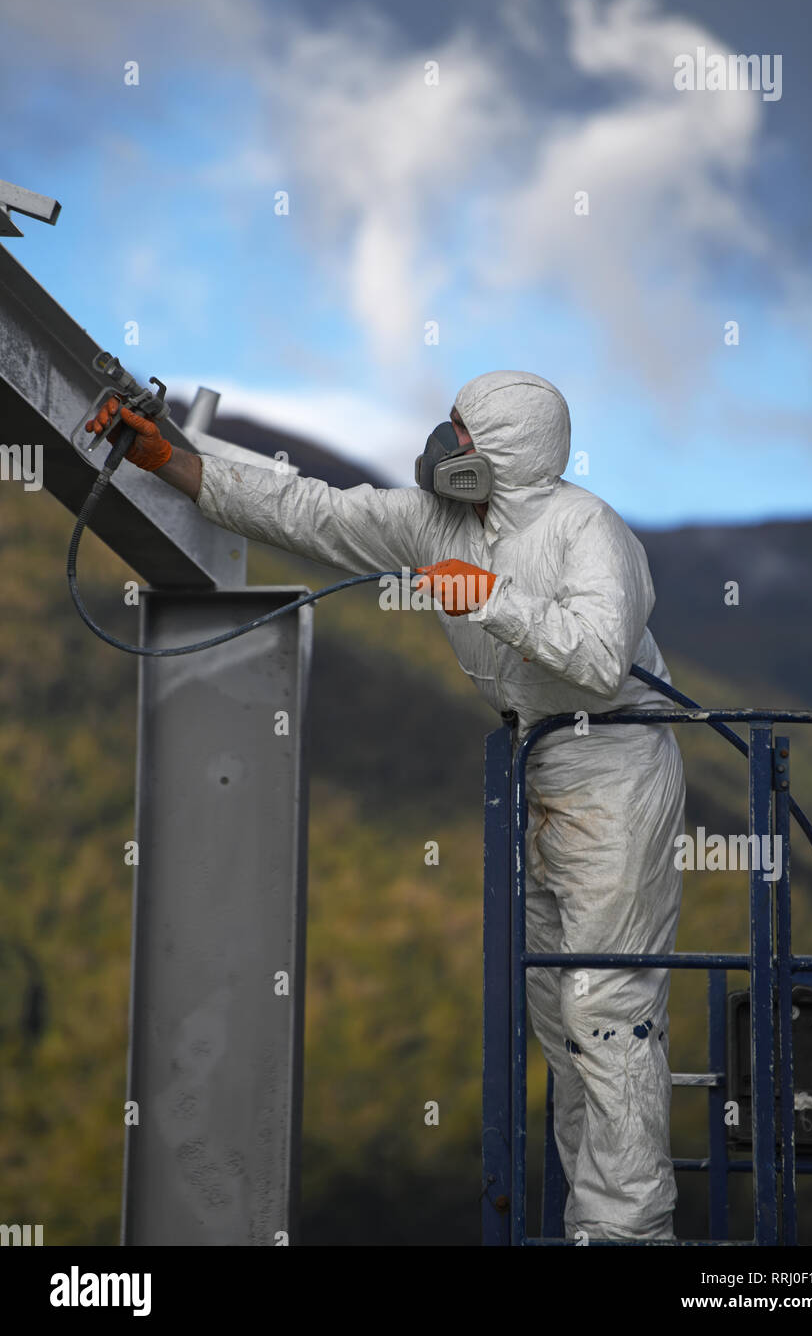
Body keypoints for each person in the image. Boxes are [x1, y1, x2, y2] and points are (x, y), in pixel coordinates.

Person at [87, 370, 686, 1241]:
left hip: (616, 761)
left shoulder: (585, 530)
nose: (443, 443)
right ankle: (594, 1220)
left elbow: (599, 658)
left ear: (510, 450)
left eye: (462, 430)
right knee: (562, 1018)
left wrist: (489, 596)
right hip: (542, 760)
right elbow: (312, 513)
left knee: (607, 1006)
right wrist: (173, 461)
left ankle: (632, 1231)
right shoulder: (434, 522)